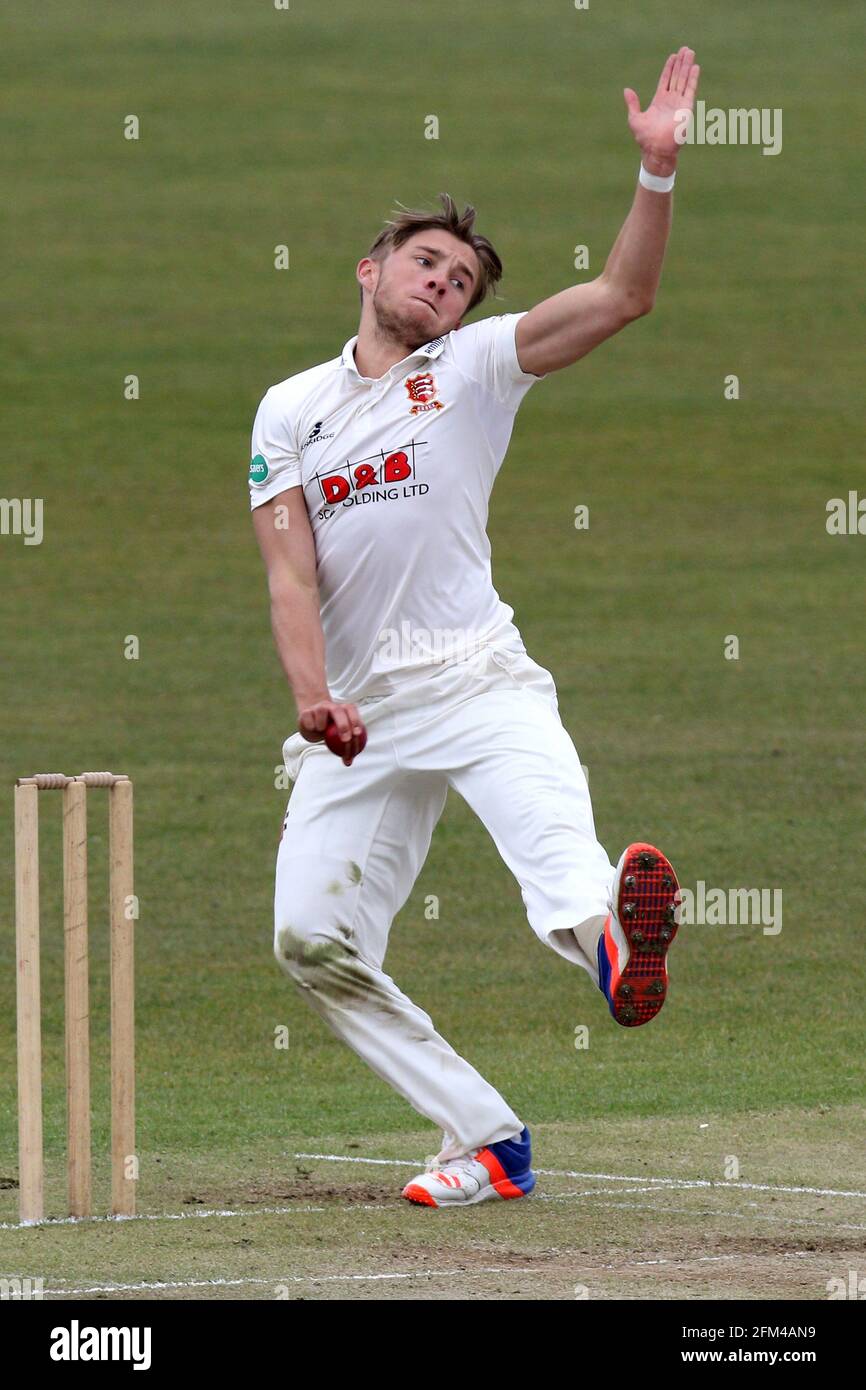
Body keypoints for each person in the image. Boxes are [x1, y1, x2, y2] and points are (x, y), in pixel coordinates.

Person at [249, 48, 700, 1208]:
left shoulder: (472, 370)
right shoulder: (289, 409)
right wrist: (313, 697)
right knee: (311, 940)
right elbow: (289, 575)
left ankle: (613, 946)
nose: (446, 284)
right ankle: (487, 1139)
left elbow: (618, 298)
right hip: (360, 720)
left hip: (481, 680)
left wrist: (653, 175)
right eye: (428, 262)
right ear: (371, 268)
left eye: (463, 278)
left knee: (561, 868)